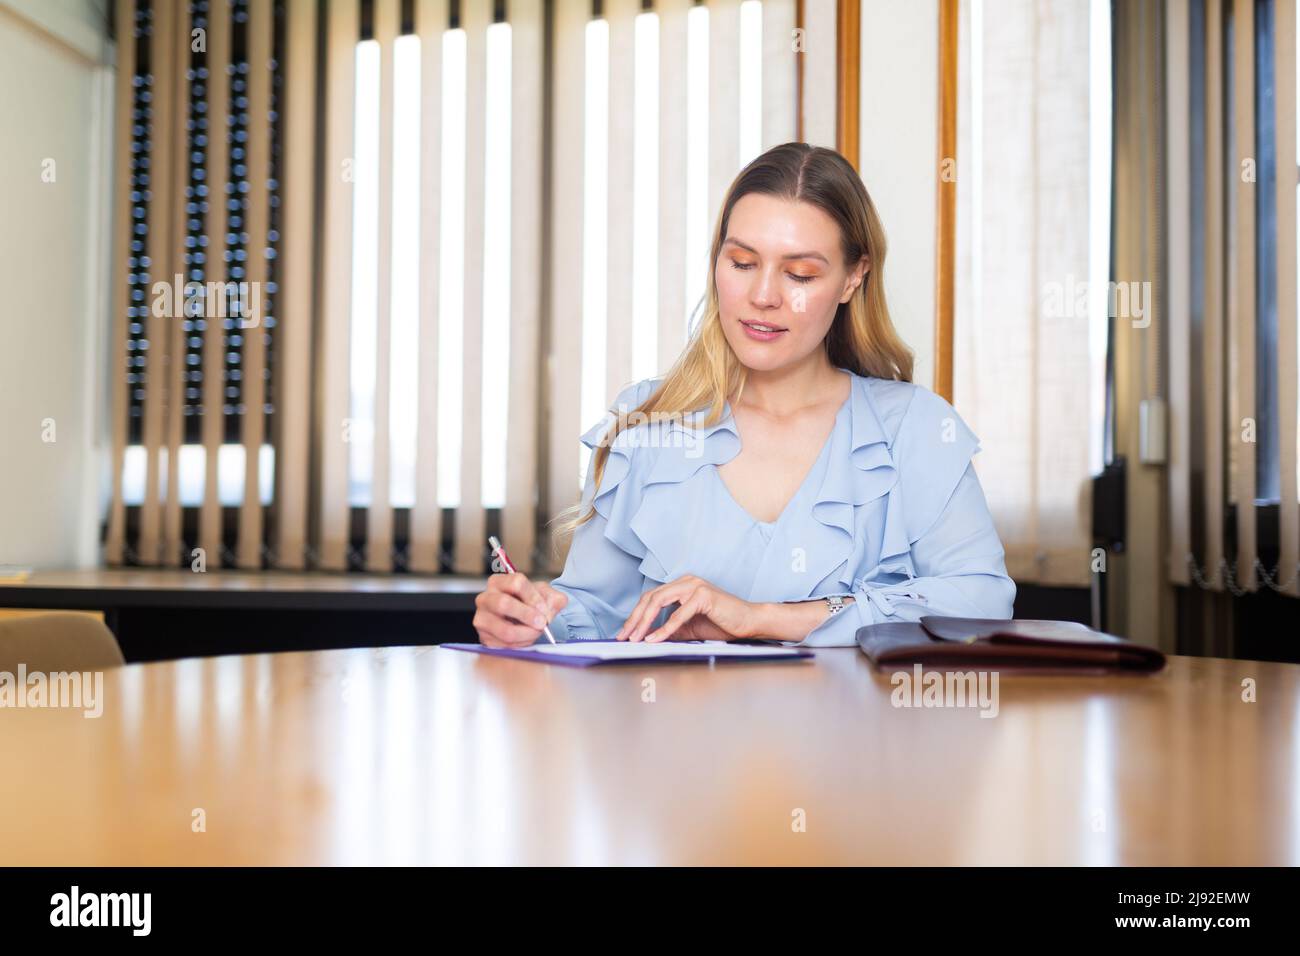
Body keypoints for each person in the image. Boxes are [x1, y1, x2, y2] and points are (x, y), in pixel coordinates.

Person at [473, 142, 1015, 649]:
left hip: (856, 750)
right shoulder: (650, 424)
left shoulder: (914, 430)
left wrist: (761, 619)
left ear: (853, 278)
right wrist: (534, 619)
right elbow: (594, 613)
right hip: (672, 748)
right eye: (742, 263)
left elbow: (982, 602)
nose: (762, 297)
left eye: (800, 274)